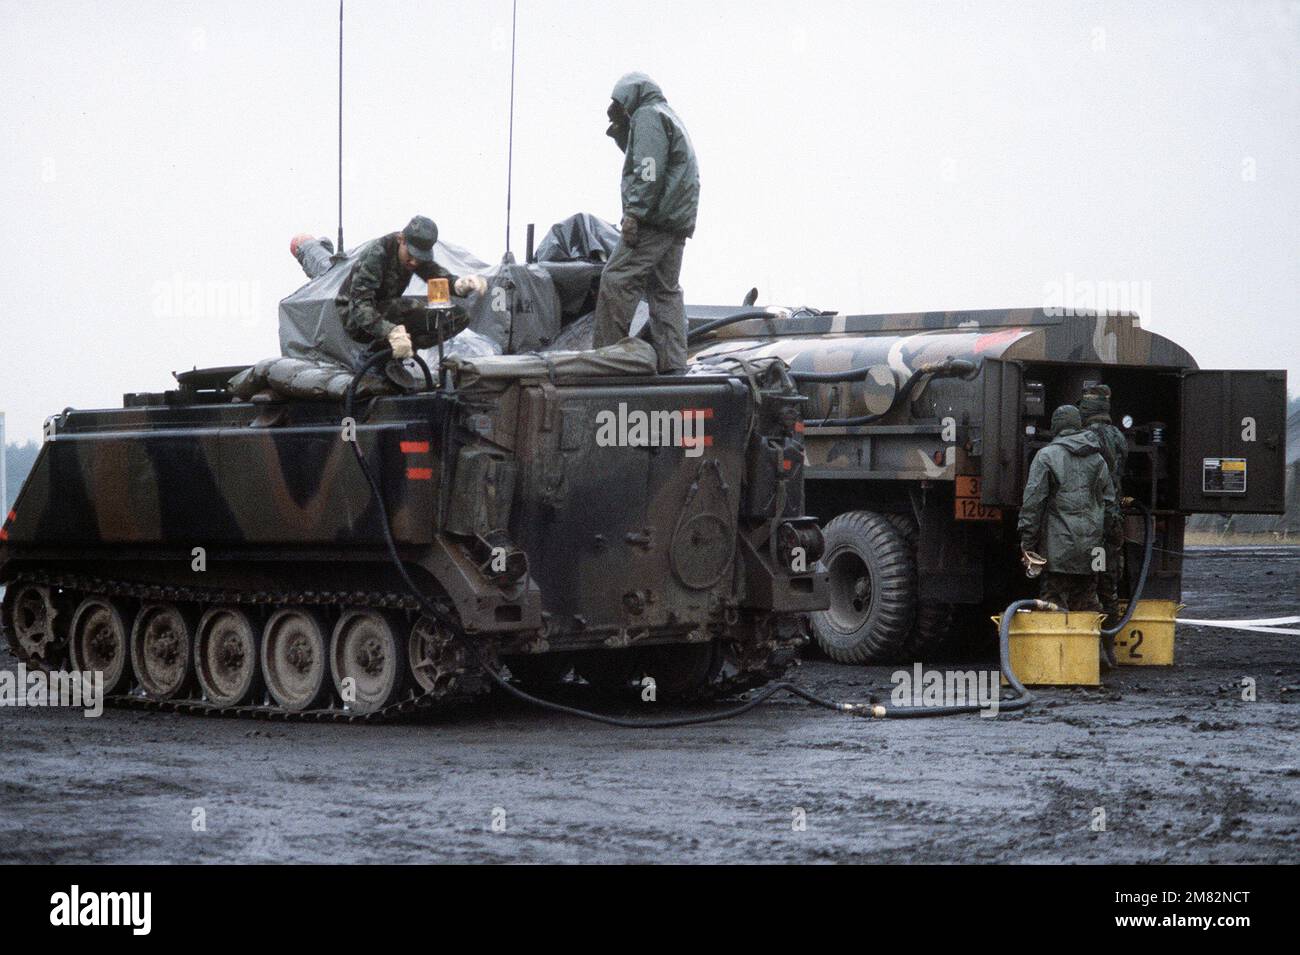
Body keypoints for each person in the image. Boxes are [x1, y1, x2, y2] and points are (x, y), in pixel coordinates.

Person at [591, 72, 700, 374]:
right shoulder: (668, 116)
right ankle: (673, 365)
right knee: (665, 292)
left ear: (630, 96)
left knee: (616, 280)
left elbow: (649, 169)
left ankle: (605, 363)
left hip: (653, 219)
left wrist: (634, 214)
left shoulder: (648, 116)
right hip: (675, 222)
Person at [338, 216, 487, 359]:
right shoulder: (377, 254)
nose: (415, 262)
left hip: (385, 312)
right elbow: (360, 305)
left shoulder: (413, 258)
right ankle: (373, 356)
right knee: (409, 306)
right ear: (401, 239)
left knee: (457, 317)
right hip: (355, 318)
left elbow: (436, 276)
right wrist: (390, 332)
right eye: (411, 254)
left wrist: (460, 284)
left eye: (420, 257)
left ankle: (397, 354)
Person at [1017, 404, 1115, 611]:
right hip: (1091, 551)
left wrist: (1028, 544)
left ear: (1056, 427)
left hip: (1057, 552)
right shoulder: (1098, 459)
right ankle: (1097, 644)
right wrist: (1101, 543)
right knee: (1087, 607)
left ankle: (1060, 644)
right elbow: (1109, 506)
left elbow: (1033, 505)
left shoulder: (1046, 456)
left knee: (1053, 607)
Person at [1080, 384, 1128, 625]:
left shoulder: (1085, 437)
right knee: (1110, 581)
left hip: (1090, 518)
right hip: (1113, 518)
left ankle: (1090, 640)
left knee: (1086, 581)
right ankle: (1108, 643)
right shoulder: (1119, 436)